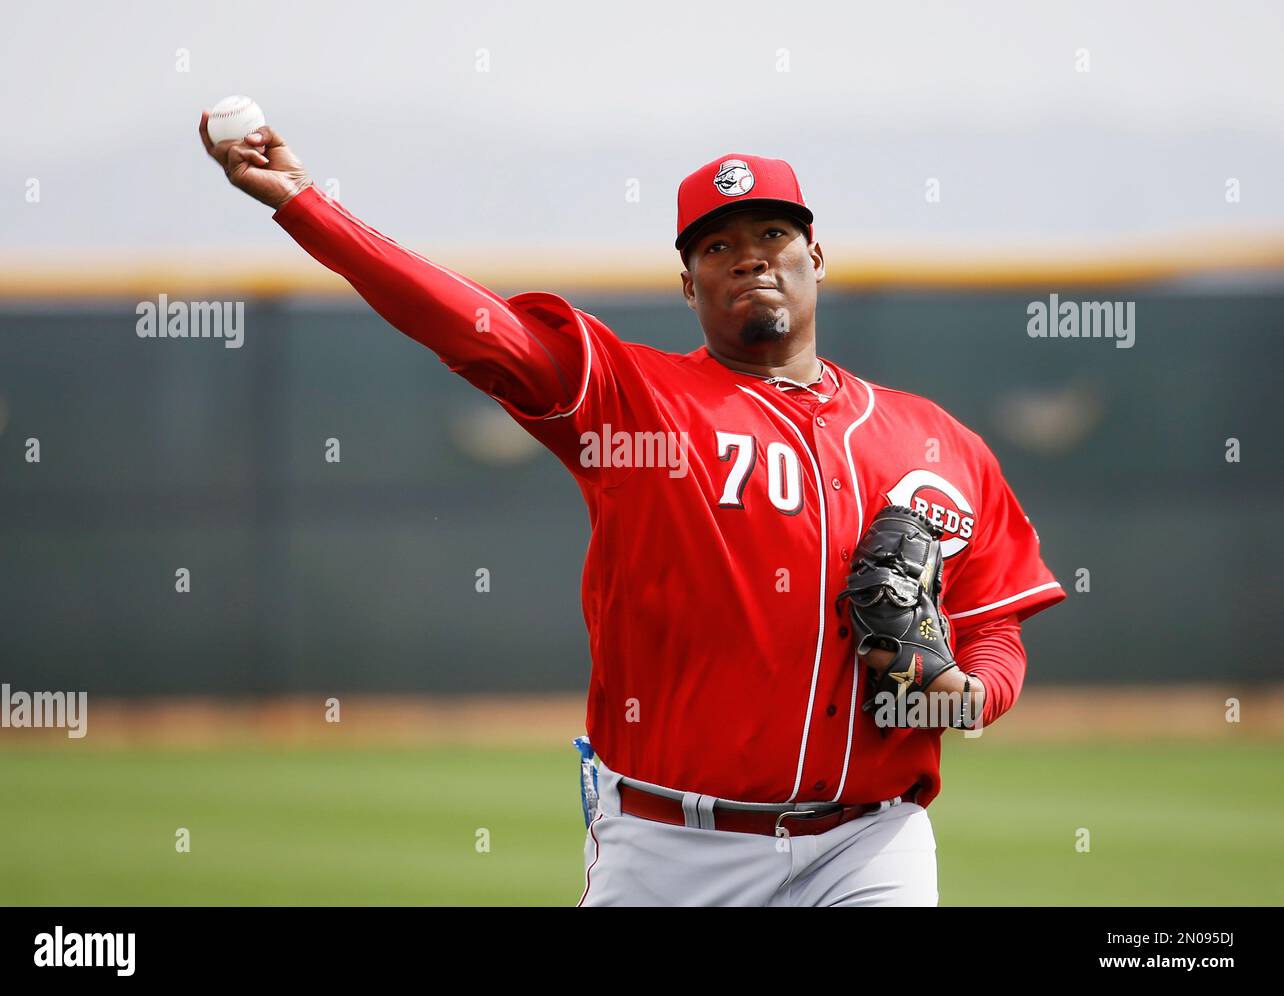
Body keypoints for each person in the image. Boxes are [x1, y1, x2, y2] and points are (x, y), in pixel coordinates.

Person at [199, 117, 1066, 907]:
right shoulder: (635, 401)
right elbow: (474, 327)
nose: (751, 256)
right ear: (688, 284)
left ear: (817, 256)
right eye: (718, 245)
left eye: (773, 233)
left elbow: (995, 630)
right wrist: (307, 208)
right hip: (668, 847)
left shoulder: (936, 442)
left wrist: (961, 697)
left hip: (871, 842)